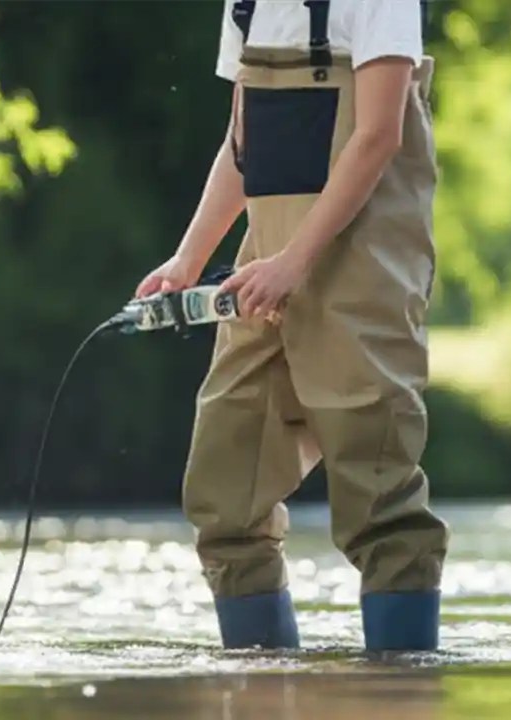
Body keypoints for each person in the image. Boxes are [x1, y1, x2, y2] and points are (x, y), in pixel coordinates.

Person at [134, 0, 448, 652]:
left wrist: (293, 263)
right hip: (265, 271)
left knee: (380, 497)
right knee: (225, 495)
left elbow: (378, 136)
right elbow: (240, 146)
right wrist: (189, 260)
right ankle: (261, 689)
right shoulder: (244, 5)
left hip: (363, 267)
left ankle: (401, 693)